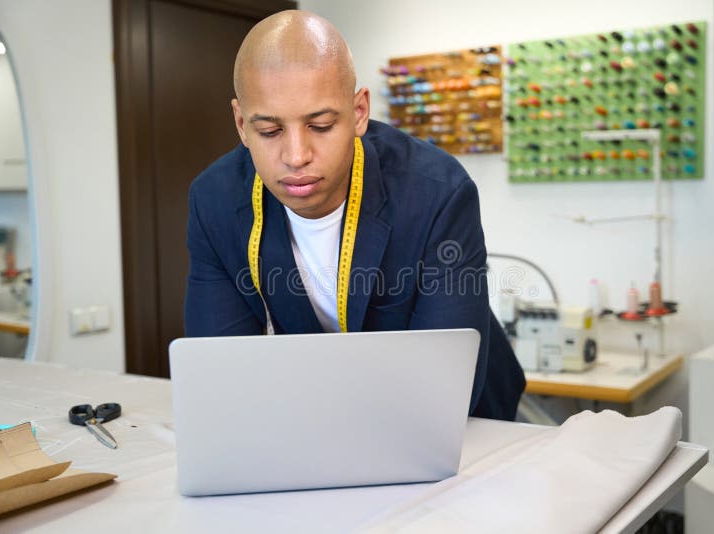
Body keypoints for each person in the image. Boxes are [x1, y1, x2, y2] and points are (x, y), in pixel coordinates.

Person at [184, 10, 524, 420]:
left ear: (359, 111)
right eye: (269, 131)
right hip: (320, 418)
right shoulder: (213, 200)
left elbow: (445, 387)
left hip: (468, 422)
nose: (296, 157)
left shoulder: (438, 193)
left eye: (322, 125)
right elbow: (220, 372)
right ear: (241, 123)